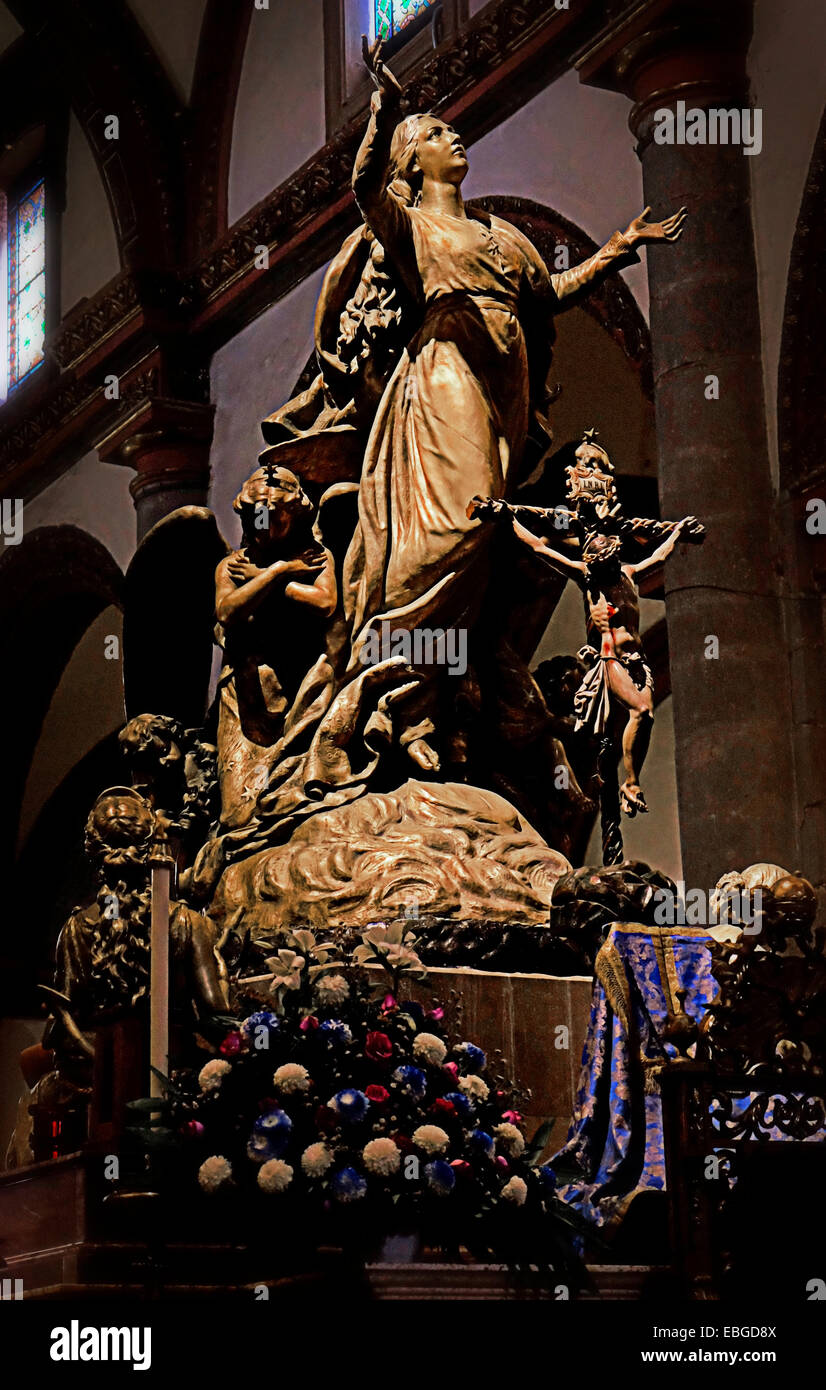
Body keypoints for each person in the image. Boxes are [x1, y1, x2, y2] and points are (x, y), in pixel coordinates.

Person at [332, 35, 687, 776]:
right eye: (432, 134)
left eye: (447, 128)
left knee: (484, 545)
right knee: (452, 533)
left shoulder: (501, 236)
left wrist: (621, 247)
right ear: (411, 165)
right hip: (446, 377)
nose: (451, 135)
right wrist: (384, 110)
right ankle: (386, 689)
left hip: (506, 391)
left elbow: (547, 294)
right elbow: (364, 187)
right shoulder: (411, 227)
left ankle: (430, 707)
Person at [510, 514, 697, 815]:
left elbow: (661, 555)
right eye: (599, 565)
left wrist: (679, 533)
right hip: (609, 657)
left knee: (645, 719)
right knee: (642, 710)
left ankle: (631, 782)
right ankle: (631, 784)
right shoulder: (588, 579)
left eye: (608, 562)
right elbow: (541, 550)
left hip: (637, 660)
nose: (603, 569)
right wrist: (510, 520)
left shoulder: (630, 573)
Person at [214, 464, 336, 827]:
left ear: (295, 515)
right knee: (240, 812)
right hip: (246, 690)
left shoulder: (317, 556)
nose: (264, 524)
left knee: (298, 796)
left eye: (274, 516)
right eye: (256, 516)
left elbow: (324, 603)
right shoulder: (233, 565)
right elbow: (227, 610)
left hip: (301, 682)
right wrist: (278, 572)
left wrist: (272, 579)